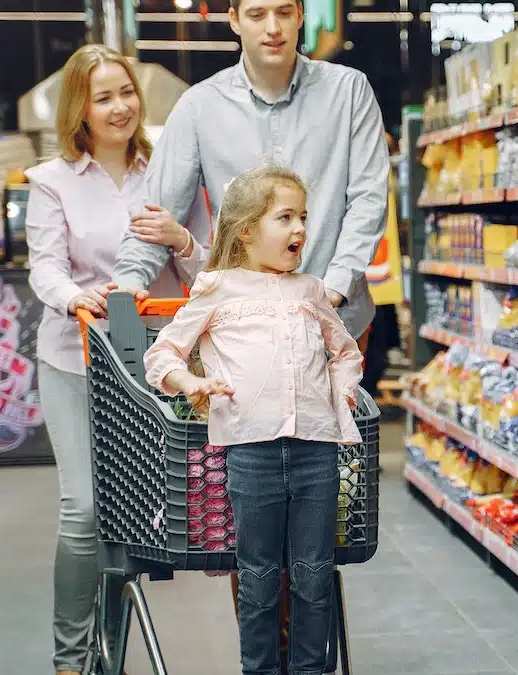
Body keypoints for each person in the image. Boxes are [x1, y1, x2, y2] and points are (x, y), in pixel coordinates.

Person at [24, 43, 208, 675]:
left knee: (130, 519)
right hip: (75, 362)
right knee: (84, 509)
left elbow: (208, 271)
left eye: (126, 92)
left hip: (151, 371)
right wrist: (76, 296)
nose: (120, 107)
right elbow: (44, 269)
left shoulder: (171, 174)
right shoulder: (51, 182)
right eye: (103, 97)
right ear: (79, 108)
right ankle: (70, 660)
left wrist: (183, 241)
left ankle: (112, 652)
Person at [143, 165, 362, 675]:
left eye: (303, 217)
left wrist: (341, 394)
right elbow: (163, 354)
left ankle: (311, 669)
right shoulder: (217, 289)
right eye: (284, 217)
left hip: (317, 450)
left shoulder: (311, 290)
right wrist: (191, 382)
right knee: (259, 578)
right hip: (250, 453)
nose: (299, 228)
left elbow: (346, 353)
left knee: (314, 574)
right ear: (245, 231)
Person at [111, 0, 390, 358]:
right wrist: (128, 282)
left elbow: (368, 198)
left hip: (337, 324)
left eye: (284, 12)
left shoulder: (348, 91)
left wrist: (333, 289)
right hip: (244, 332)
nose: (273, 27)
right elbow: (157, 213)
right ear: (235, 20)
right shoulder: (199, 106)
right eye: (257, 14)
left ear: (300, 15)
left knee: (344, 397)